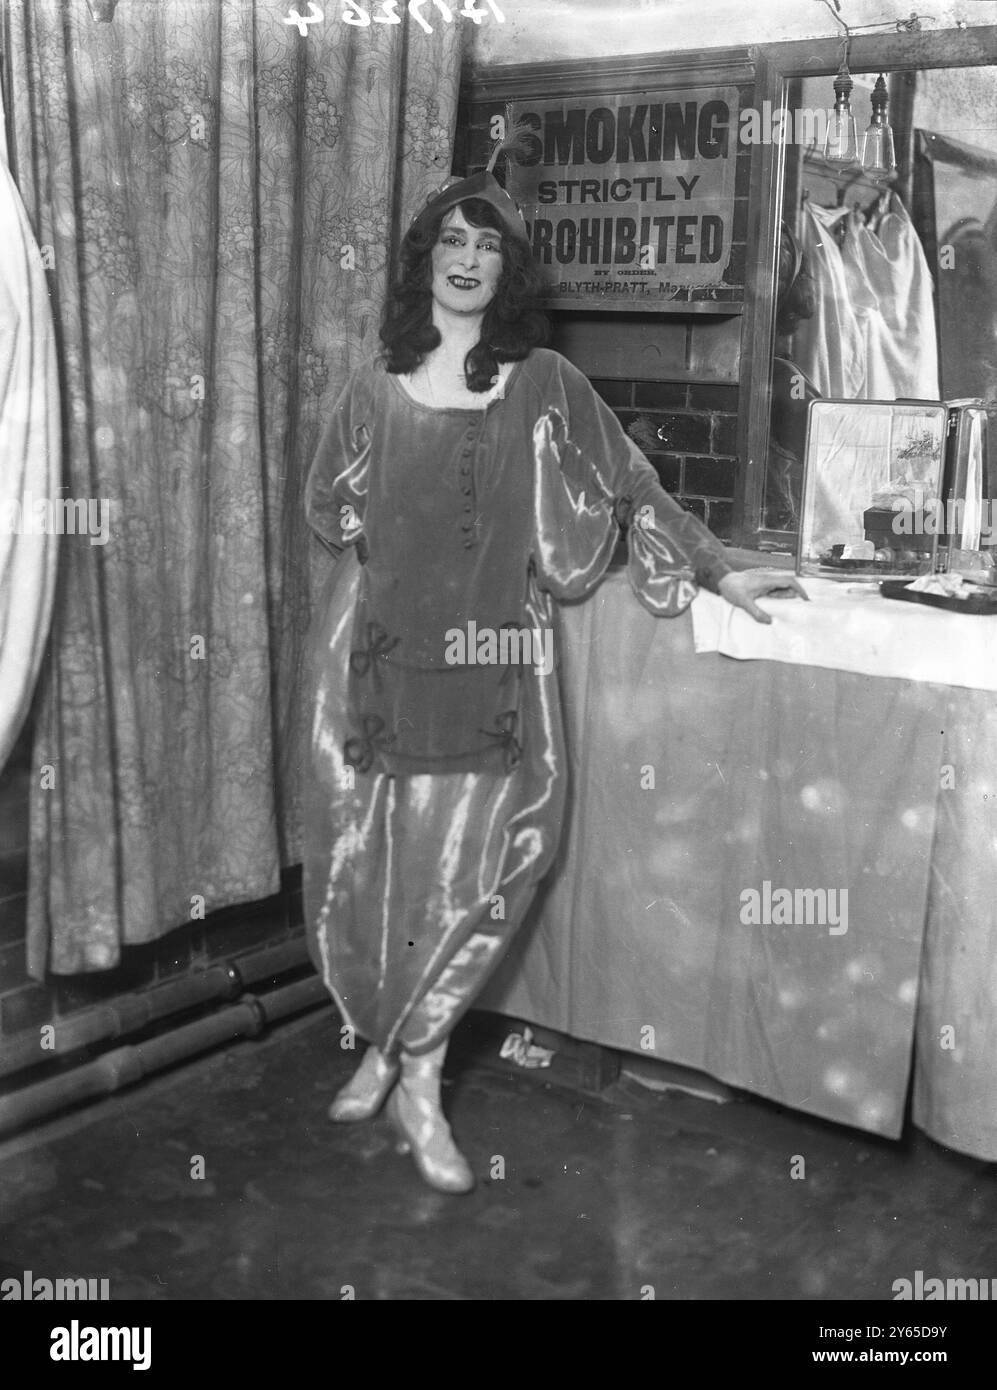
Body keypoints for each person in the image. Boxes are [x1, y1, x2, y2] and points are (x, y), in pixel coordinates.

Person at [303, 169, 807, 1194]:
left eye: (486, 244)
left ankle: (422, 1079)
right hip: (379, 668)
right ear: (422, 261)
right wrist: (398, 561)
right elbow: (327, 506)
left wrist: (714, 564)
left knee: (473, 877)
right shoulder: (370, 387)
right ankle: (384, 1043)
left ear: (507, 267)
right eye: (449, 239)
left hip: (493, 676)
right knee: (375, 874)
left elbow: (627, 483)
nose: (466, 257)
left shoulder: (538, 380)